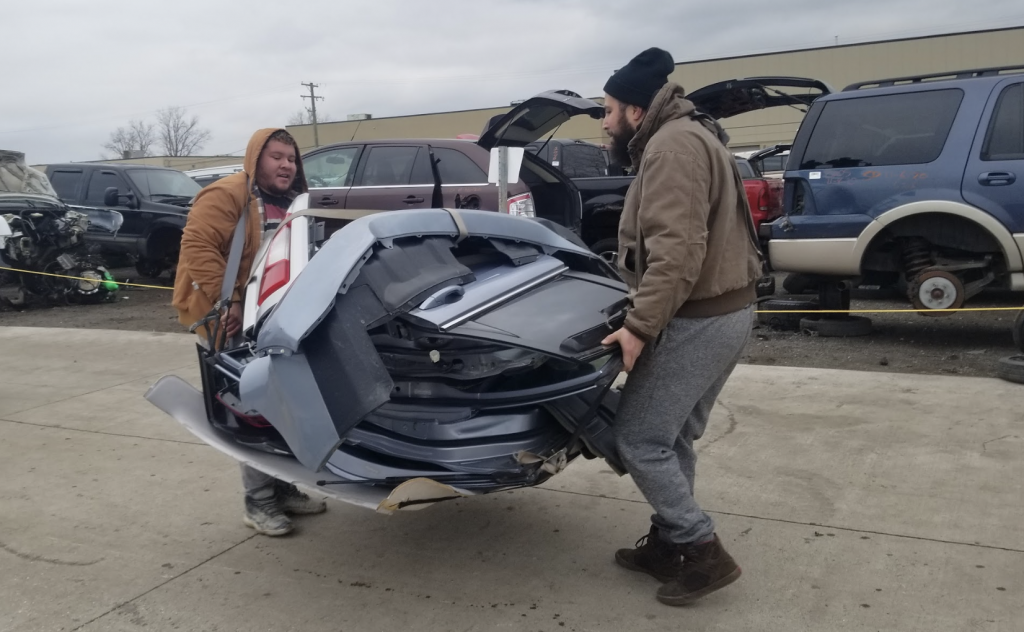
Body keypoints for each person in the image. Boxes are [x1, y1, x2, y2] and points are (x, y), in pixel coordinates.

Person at [599, 48, 762, 606]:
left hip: (699, 319)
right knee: (671, 436)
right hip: (726, 310)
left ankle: (702, 549)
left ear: (636, 113)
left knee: (639, 438)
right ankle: (670, 543)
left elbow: (677, 252)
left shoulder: (671, 148)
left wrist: (638, 328)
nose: (604, 122)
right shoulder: (692, 133)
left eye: (609, 111)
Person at [172, 128, 327, 536]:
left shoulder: (293, 202)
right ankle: (258, 502)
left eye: (291, 159)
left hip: (277, 319)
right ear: (255, 158)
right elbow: (197, 248)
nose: (286, 165)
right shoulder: (228, 195)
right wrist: (232, 303)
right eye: (276, 157)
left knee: (283, 406)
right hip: (232, 319)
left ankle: (282, 488)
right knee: (250, 409)